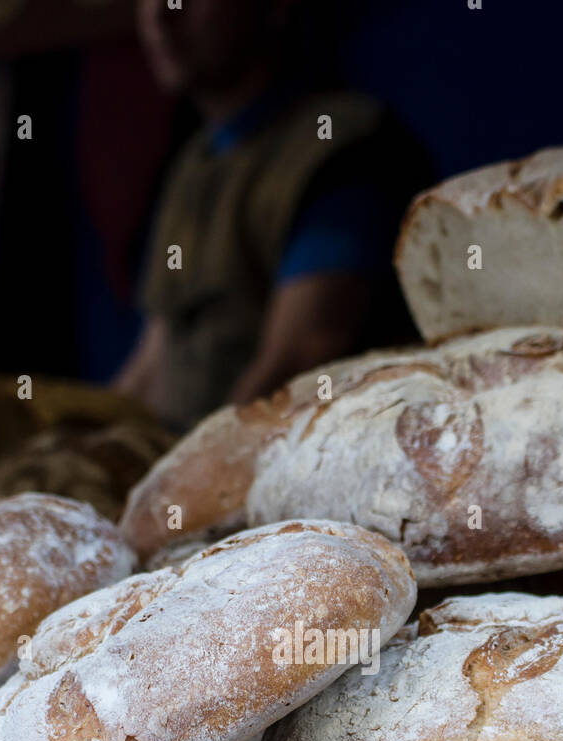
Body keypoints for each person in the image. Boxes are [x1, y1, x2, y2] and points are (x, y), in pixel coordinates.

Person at [115, 0, 426, 431]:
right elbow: (152, 359)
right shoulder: (193, 164)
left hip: (278, 472)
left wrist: (184, 477)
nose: (161, 15)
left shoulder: (337, 148)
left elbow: (299, 357)